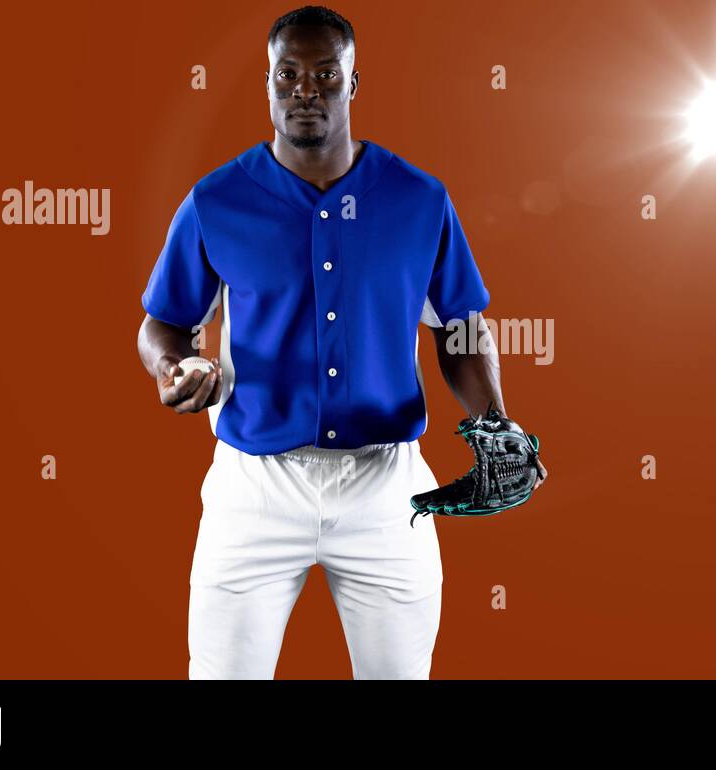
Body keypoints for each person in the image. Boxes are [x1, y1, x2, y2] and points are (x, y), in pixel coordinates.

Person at [136, 5, 545, 680]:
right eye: (288, 74)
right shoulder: (217, 199)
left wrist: (494, 418)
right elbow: (162, 322)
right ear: (267, 83)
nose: (306, 89)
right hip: (253, 486)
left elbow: (462, 326)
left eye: (327, 74)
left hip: (386, 486)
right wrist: (173, 365)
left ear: (353, 85)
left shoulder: (419, 198)